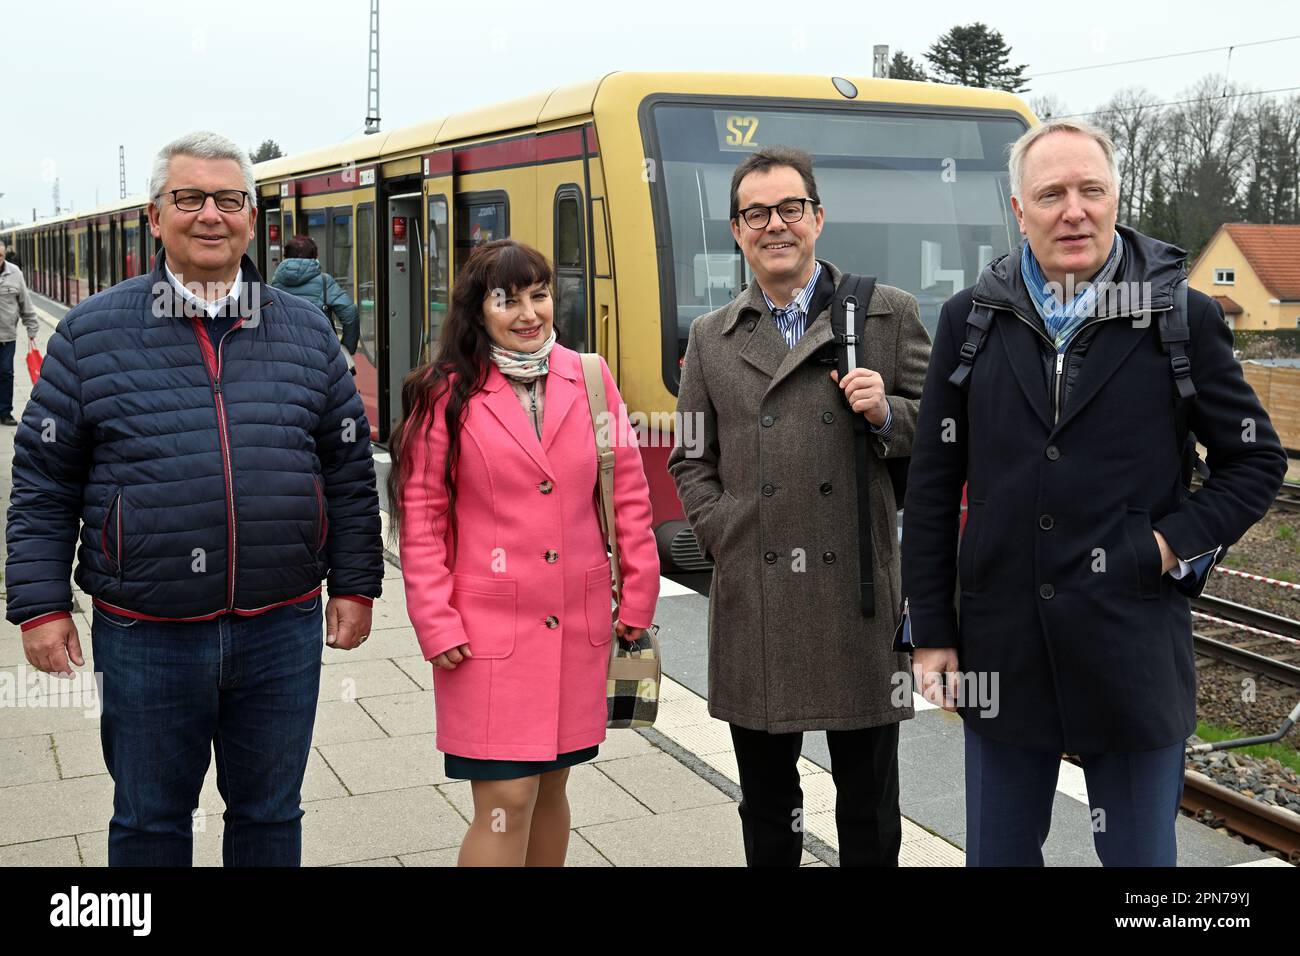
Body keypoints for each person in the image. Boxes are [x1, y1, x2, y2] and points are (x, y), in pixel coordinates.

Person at [900, 120, 1289, 867]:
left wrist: (1165, 546)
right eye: (1051, 194)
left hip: (1131, 646)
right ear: (1019, 211)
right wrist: (932, 633)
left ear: (1117, 197)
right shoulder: (969, 320)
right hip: (1001, 649)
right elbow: (933, 481)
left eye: (1091, 190)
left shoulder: (1181, 317)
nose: (1073, 210)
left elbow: (1254, 462)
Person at [5, 131, 384, 867]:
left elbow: (346, 469)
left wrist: (358, 583)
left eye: (228, 199)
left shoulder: (306, 334)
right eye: (189, 198)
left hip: (282, 625)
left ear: (251, 218)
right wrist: (40, 605)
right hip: (146, 631)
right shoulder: (89, 337)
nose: (210, 214)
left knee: (271, 816)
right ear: (156, 217)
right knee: (149, 823)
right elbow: (44, 483)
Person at [668, 146, 932, 867]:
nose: (774, 225)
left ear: (818, 218)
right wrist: (729, 534)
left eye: (790, 209)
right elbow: (690, 455)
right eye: (757, 213)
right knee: (768, 807)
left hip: (860, 603)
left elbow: (946, 437)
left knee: (870, 806)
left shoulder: (888, 313)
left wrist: (888, 417)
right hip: (758, 598)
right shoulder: (712, 337)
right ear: (736, 230)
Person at [389, 238, 659, 867]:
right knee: (506, 793)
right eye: (506, 300)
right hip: (485, 629)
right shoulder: (443, 393)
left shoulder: (591, 378)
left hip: (578, 621)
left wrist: (638, 596)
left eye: (538, 295)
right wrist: (434, 619)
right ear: (476, 309)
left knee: (553, 784)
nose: (527, 313)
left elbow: (629, 496)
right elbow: (423, 518)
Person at [270, 234, 360, 362]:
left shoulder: (276, 282)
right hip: (321, 351)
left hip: (285, 351)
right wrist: (346, 348)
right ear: (315, 257)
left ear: (285, 256)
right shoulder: (324, 281)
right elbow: (350, 313)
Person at [0, 238, 39, 426]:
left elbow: (25, 302)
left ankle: (5, 412)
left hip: (7, 336)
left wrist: (32, 327)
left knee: (7, 374)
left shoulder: (15, 273)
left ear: (5, 254)